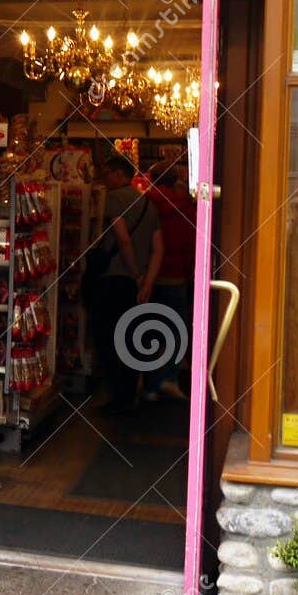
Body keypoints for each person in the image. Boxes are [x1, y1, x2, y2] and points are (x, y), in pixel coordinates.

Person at [90, 155, 163, 415]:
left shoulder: (114, 198)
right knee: (131, 339)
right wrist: (147, 282)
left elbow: (122, 238)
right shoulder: (148, 204)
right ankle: (130, 393)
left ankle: (117, 398)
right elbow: (158, 249)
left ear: (120, 174)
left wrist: (134, 274)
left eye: (107, 173)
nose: (103, 178)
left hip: (115, 280)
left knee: (109, 340)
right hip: (138, 285)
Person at [143, 163, 195, 402]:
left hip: (150, 276)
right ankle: (169, 378)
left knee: (149, 332)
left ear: (151, 179)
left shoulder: (144, 202)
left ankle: (150, 385)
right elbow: (192, 243)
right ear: (175, 182)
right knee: (175, 331)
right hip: (177, 276)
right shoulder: (186, 207)